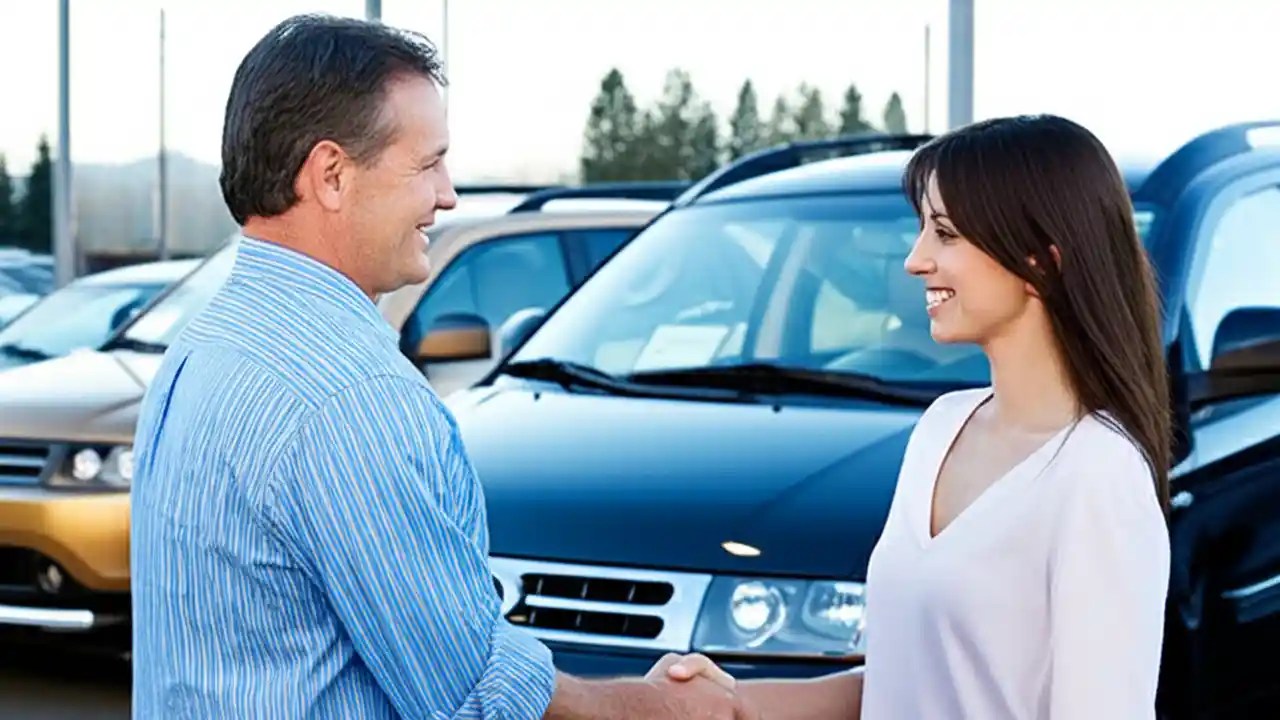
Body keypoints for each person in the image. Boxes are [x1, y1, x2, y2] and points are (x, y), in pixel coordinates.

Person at [130, 13, 757, 719]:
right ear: (332, 174)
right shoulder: (350, 394)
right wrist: (657, 707)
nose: (448, 193)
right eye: (427, 162)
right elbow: (473, 696)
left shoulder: (205, 342)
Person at [653, 114, 1173, 718]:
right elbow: (907, 680)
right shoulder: (942, 426)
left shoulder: (1097, 473)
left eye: (945, 233)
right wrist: (730, 704)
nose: (915, 260)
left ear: (1039, 263)